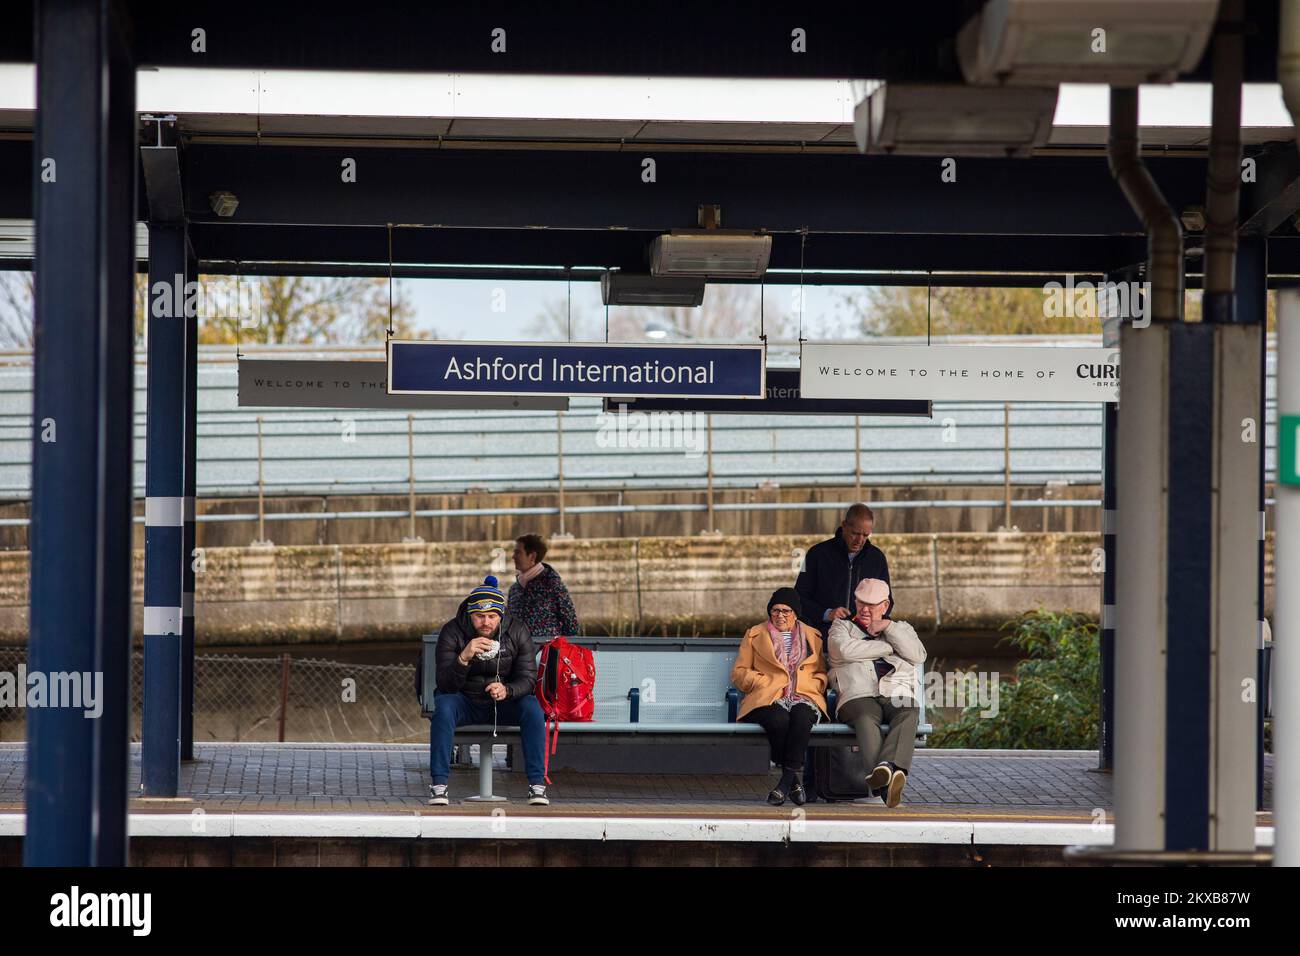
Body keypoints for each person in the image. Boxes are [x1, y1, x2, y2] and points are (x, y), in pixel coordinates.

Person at [428, 575, 550, 806]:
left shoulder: (517, 630)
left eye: (492, 616)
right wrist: (464, 657)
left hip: (502, 703)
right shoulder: (452, 632)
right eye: (480, 616)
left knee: (533, 708)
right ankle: (439, 785)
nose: (486, 622)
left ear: (501, 615)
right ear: (469, 615)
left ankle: (537, 785)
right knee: (443, 707)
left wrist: (508, 690)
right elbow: (445, 684)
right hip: (465, 701)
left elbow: (528, 678)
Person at [826, 578, 926, 809]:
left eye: (872, 604)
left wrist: (888, 628)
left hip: (894, 692)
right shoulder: (842, 626)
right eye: (861, 603)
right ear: (855, 601)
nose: (865, 609)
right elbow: (844, 650)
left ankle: (886, 770)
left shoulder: (901, 628)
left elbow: (918, 655)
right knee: (865, 716)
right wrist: (889, 647)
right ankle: (888, 782)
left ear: (885, 605)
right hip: (857, 693)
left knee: (909, 711)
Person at [730, 587, 828, 807]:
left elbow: (821, 672)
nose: (780, 615)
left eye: (786, 610)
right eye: (775, 610)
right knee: (779, 720)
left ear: (796, 613)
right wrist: (763, 682)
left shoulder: (813, 636)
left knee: (802, 718)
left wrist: (815, 683)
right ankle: (792, 781)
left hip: (803, 695)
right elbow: (739, 672)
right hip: (768, 696)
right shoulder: (754, 634)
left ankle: (784, 784)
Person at [795, 503, 892, 632]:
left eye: (865, 535)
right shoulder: (816, 554)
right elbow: (798, 597)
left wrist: (872, 621)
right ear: (844, 526)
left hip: (864, 639)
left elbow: (887, 601)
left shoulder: (877, 558)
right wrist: (827, 614)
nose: (860, 540)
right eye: (855, 533)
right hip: (823, 636)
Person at [505, 533, 580, 642]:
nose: (513, 556)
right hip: (519, 653)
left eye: (518, 552)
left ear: (532, 556)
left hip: (547, 653)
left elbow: (571, 625)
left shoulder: (552, 584)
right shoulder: (514, 589)